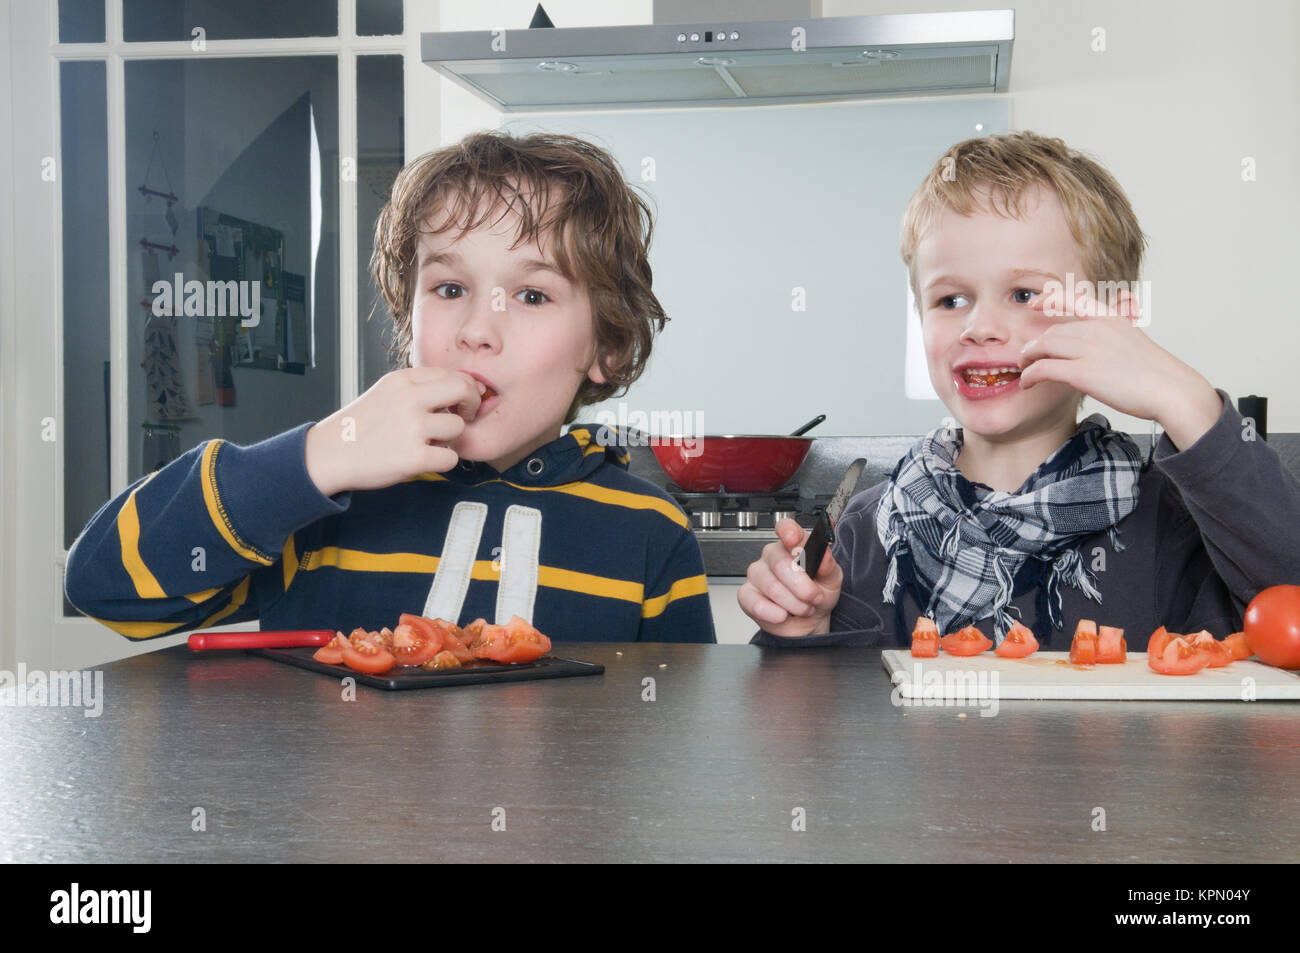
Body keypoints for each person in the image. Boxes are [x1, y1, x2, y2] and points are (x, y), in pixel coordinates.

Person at [66, 131, 715, 644]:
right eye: (450, 289)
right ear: (411, 316)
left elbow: (674, 752)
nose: (476, 331)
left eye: (531, 293)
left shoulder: (652, 533)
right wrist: (318, 458)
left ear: (604, 345)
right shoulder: (319, 508)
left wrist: (788, 642)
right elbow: (105, 587)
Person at [739, 131, 1300, 648]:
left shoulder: (1178, 523)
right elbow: (815, 735)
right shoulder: (864, 529)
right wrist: (805, 631)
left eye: (1025, 294)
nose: (979, 326)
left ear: (1108, 322)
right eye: (949, 300)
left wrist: (1186, 400)